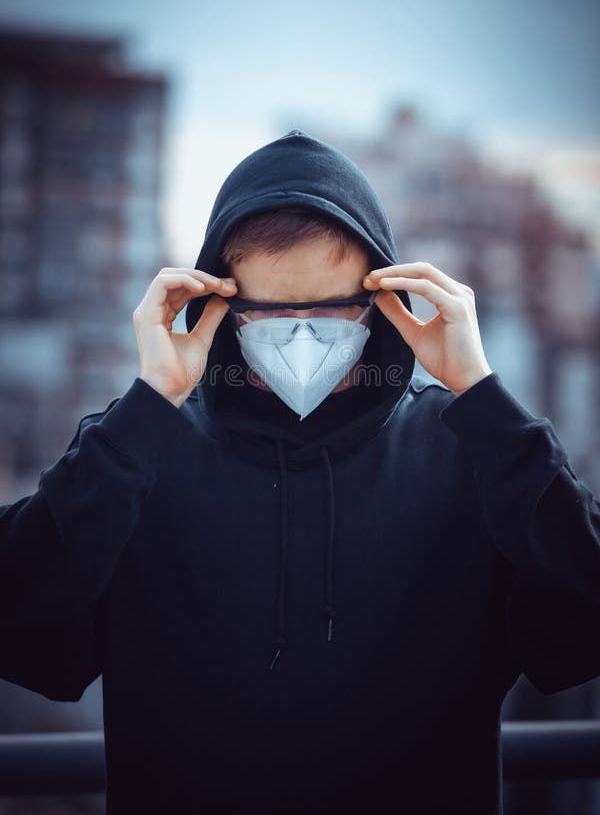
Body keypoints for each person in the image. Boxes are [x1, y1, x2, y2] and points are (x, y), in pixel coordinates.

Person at [1, 128, 599, 815]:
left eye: (331, 305)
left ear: (380, 302)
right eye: (272, 310)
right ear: (222, 307)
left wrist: (484, 398)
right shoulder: (136, 458)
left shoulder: (470, 453)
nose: (305, 333)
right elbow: (17, 620)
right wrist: (144, 411)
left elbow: (586, 617)